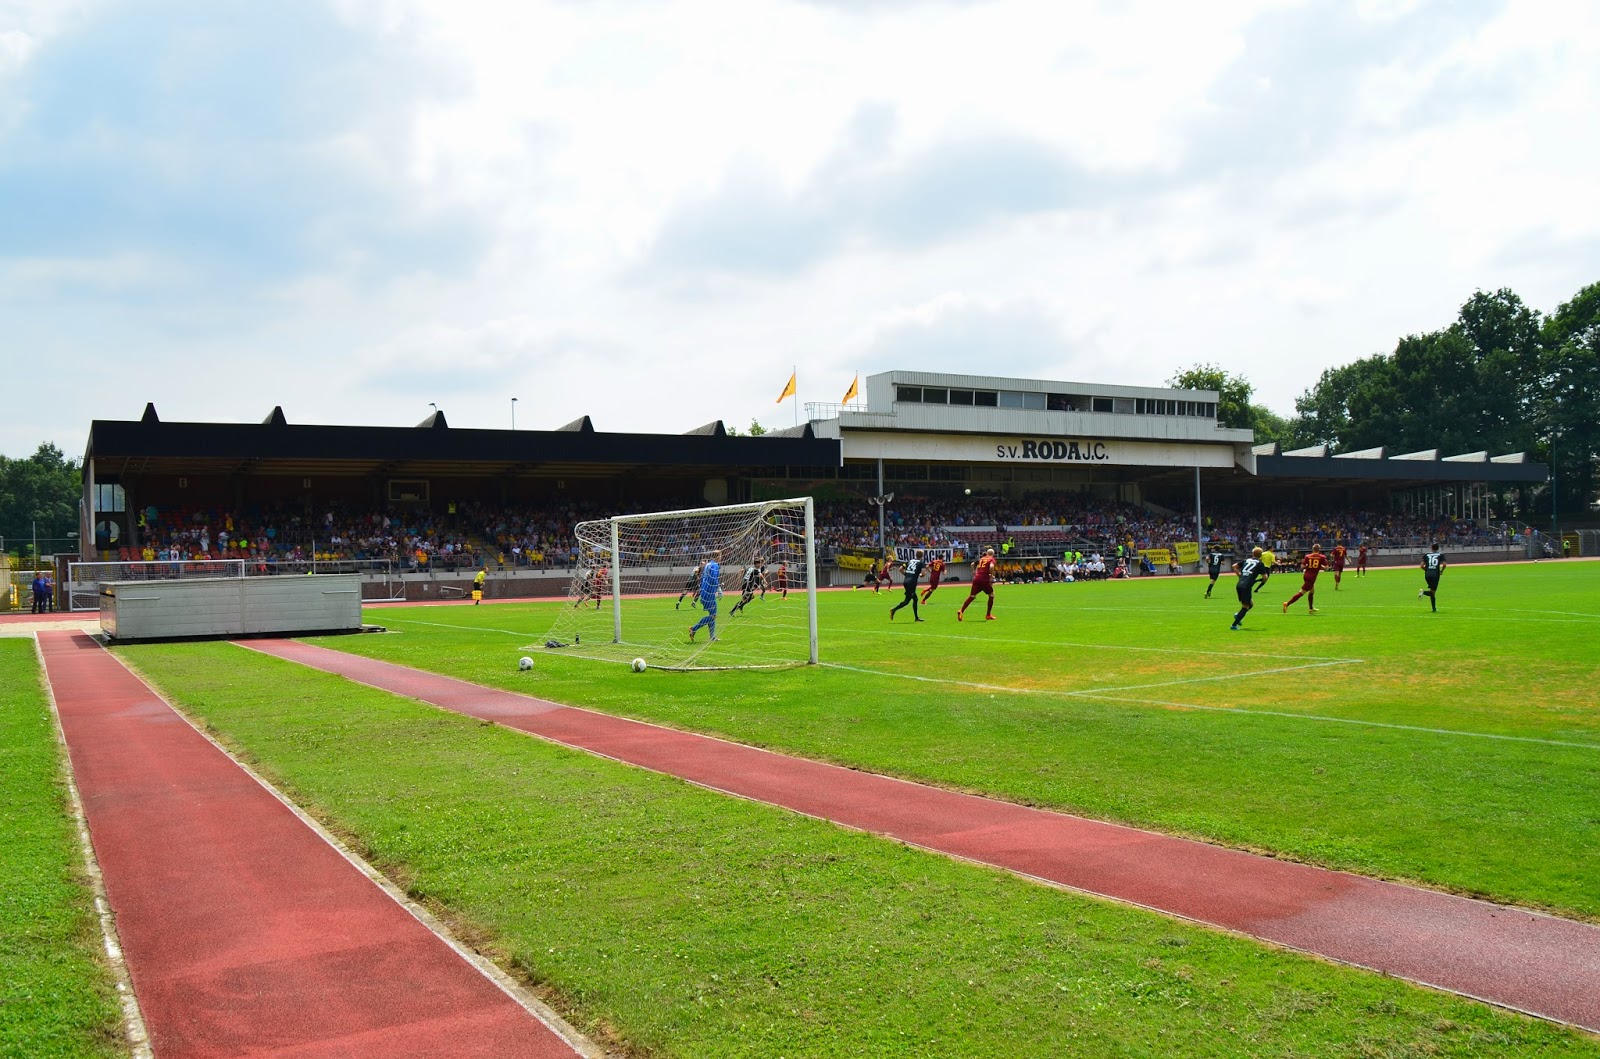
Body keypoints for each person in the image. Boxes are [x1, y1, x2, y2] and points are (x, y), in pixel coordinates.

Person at [1230, 547, 1267, 631]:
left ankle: (1238, 615)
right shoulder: (1260, 563)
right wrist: (1260, 581)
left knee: (1250, 604)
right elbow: (1265, 577)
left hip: (1239, 584)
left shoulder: (1246, 560)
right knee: (1245, 606)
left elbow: (1234, 566)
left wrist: (1240, 575)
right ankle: (1234, 625)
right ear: (1261, 555)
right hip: (1246, 586)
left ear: (1252, 554)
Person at [1282, 543, 1327, 613]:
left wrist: (1308, 566)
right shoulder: (1322, 557)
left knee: (1312, 591)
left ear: (1312, 549)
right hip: (1312, 577)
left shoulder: (1308, 556)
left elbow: (1302, 567)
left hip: (1306, 575)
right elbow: (1326, 568)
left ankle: (1311, 608)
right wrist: (1319, 567)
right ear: (1319, 550)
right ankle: (1287, 604)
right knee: (1301, 592)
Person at [957, 547, 999, 621]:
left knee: (972, 596)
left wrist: (974, 572)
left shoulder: (982, 559)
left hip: (976, 579)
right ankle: (988, 615)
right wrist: (991, 575)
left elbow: (972, 564)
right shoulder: (991, 559)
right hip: (984, 579)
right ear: (993, 554)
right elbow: (991, 566)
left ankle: (961, 611)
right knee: (992, 595)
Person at [689, 550, 722, 642]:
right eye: (720, 556)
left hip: (704, 592)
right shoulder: (715, 565)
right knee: (713, 616)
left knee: (712, 615)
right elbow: (713, 578)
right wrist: (718, 589)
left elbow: (703, 577)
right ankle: (694, 629)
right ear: (718, 556)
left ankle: (712, 637)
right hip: (709, 593)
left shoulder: (708, 565)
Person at [889, 551, 926, 622]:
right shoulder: (921, 563)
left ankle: (916, 618)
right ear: (922, 556)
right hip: (912, 583)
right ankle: (893, 610)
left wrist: (907, 575)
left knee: (915, 599)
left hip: (906, 581)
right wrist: (920, 575)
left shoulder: (910, 561)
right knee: (907, 601)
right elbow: (923, 573)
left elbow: (900, 569)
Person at [1419, 544, 1446, 612]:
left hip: (1427, 575)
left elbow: (1421, 566)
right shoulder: (1440, 555)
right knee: (1432, 592)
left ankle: (1434, 608)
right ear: (1438, 548)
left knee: (1432, 592)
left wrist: (1427, 570)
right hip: (1435, 575)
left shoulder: (1427, 554)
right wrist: (1441, 571)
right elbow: (1444, 564)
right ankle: (1423, 592)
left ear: (1431, 548)